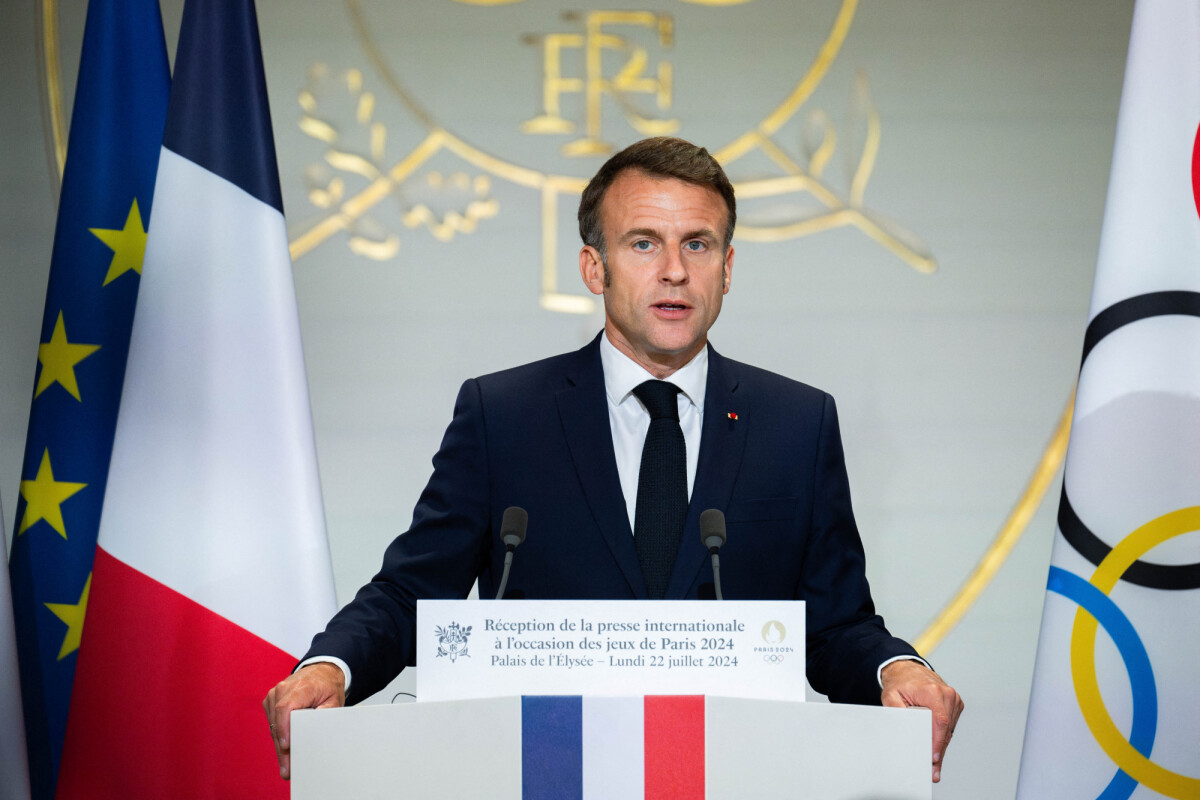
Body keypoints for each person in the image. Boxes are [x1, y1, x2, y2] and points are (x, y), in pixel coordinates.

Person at [264, 137, 963, 782]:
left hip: (734, 777)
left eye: (698, 244)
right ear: (593, 266)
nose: (673, 272)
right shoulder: (505, 415)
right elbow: (414, 593)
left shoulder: (797, 423)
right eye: (643, 243)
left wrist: (897, 669)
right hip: (543, 774)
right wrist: (334, 666)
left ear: (727, 267)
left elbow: (835, 623)